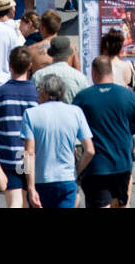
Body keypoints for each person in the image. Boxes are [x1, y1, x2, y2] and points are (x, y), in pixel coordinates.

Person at [73, 56, 135, 208]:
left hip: (96, 164)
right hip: (123, 163)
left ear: (93, 73)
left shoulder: (83, 97)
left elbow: (71, 129)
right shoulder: (128, 95)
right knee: (122, 204)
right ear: (111, 72)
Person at [22, 73, 95, 209]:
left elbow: (28, 154)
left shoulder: (31, 114)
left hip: (40, 180)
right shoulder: (75, 112)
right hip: (66, 179)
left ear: (44, 92)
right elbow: (90, 151)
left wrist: (30, 187)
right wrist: (76, 170)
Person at [0, 45, 38, 208]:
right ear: (30, 66)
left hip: (7, 156)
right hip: (31, 157)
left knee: (14, 201)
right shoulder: (37, 93)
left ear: (9, 65)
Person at [32, 36, 91, 102]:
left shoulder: (38, 75)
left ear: (51, 54)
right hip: (71, 112)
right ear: (69, 55)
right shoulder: (80, 78)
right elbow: (87, 99)